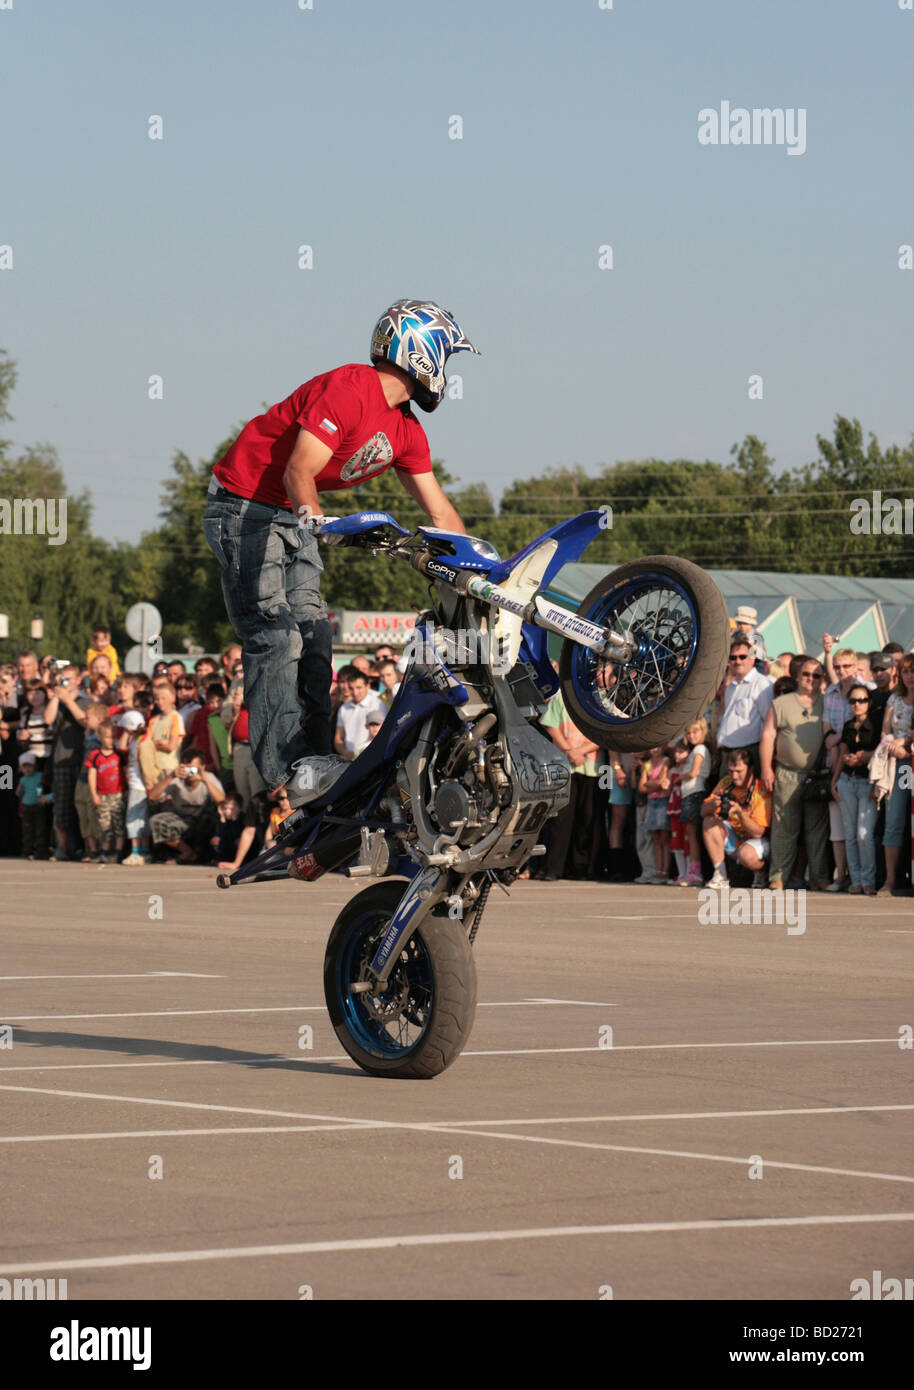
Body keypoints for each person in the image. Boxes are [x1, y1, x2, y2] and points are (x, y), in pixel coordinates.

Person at [202, 299, 478, 799]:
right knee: (277, 635)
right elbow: (298, 470)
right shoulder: (350, 387)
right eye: (446, 356)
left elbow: (441, 513)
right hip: (245, 506)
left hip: (294, 515)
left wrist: (482, 569)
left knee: (316, 636)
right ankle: (286, 770)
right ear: (423, 351)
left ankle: (314, 763)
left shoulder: (407, 431)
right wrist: (318, 522)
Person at [759, 658, 830, 891]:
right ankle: (777, 877)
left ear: (822, 680)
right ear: (798, 676)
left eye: (816, 675)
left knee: (816, 832)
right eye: (807, 674)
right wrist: (766, 768)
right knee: (784, 829)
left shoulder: (828, 702)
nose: (811, 679)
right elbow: (768, 735)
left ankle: (820, 878)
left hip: (817, 776)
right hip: (787, 773)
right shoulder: (781, 702)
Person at [831, 684, 880, 895]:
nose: (857, 705)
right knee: (850, 834)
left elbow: (880, 755)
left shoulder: (876, 725)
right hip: (847, 781)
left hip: (867, 782)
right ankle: (857, 880)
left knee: (864, 834)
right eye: (853, 701)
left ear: (869, 702)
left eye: (862, 700)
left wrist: (876, 782)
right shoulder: (849, 725)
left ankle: (869, 879)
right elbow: (843, 753)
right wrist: (834, 782)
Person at [702, 748, 772, 888]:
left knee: (745, 854)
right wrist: (713, 805)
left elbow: (758, 832)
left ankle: (761, 873)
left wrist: (741, 813)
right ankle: (720, 875)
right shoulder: (725, 783)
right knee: (709, 821)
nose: (734, 776)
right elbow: (703, 811)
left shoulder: (761, 790)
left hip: (756, 841)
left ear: (751, 769)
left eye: (739, 771)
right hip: (735, 840)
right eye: (730, 771)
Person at [43, 664, 91, 861]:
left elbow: (86, 721)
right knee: (62, 807)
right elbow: (48, 719)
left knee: (82, 807)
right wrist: (56, 696)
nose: (65, 683)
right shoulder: (57, 701)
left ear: (78, 680)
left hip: (81, 760)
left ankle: (87, 848)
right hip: (61, 761)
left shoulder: (86, 701)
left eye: (69, 679)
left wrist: (69, 700)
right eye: (62, 679)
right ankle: (61, 848)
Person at [878, 652, 914, 896]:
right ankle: (890, 880)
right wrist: (895, 746)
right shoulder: (894, 699)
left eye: (913, 671)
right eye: (906, 671)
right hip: (897, 766)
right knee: (893, 822)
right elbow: (884, 732)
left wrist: (904, 744)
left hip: (911, 759)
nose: (910, 676)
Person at [147, 750, 225, 863]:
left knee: (214, 816)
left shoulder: (208, 777)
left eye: (194, 769)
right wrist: (171, 776)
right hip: (180, 819)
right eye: (187, 768)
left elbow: (222, 801)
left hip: (202, 821)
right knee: (156, 821)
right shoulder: (176, 779)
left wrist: (205, 780)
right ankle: (188, 852)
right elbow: (152, 798)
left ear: (202, 767)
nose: (190, 773)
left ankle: (206, 854)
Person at [716, 639, 773, 775]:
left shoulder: (762, 684)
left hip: (748, 754)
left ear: (752, 658)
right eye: (733, 657)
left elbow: (769, 724)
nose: (738, 661)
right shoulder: (730, 687)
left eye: (742, 657)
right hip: (727, 753)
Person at [85, 719, 126, 865]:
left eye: (113, 737)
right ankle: (105, 851)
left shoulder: (119, 755)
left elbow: (125, 772)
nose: (111, 740)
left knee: (118, 823)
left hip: (118, 793)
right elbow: (92, 775)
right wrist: (94, 794)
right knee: (104, 825)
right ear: (100, 737)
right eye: (108, 737)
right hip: (102, 794)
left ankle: (118, 852)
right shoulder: (95, 755)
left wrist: (125, 790)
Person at [676, 718, 710, 886]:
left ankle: (695, 872)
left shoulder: (700, 749)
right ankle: (692, 870)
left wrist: (678, 778)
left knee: (693, 834)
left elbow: (694, 772)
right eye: (688, 733)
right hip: (689, 794)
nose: (691, 736)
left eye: (694, 732)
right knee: (691, 834)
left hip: (694, 793)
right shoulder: (695, 750)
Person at [334, 671, 386, 761]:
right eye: (351, 688)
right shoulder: (344, 708)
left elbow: (383, 736)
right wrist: (346, 753)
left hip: (370, 760)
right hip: (348, 762)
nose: (355, 692)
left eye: (359, 688)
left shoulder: (378, 704)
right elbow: (338, 739)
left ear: (367, 686)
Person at [17, 752, 50, 860]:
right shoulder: (22, 780)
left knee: (40, 829)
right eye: (24, 767)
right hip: (26, 806)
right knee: (27, 830)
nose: (27, 769)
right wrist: (18, 791)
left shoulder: (40, 776)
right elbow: (19, 794)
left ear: (34, 766)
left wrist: (43, 796)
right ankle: (27, 850)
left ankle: (41, 850)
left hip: (38, 806)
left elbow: (45, 787)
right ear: (21, 768)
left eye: (29, 766)